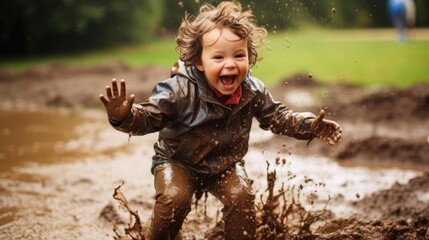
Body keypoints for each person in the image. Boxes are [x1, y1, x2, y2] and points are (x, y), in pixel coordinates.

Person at [99, 2, 342, 239]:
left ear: (249, 57)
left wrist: (309, 125)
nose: (230, 64)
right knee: (175, 197)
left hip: (225, 165)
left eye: (239, 55)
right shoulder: (178, 90)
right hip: (178, 162)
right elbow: (148, 118)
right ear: (198, 62)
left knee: (242, 195)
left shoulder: (252, 90)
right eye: (218, 58)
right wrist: (123, 116)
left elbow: (277, 117)